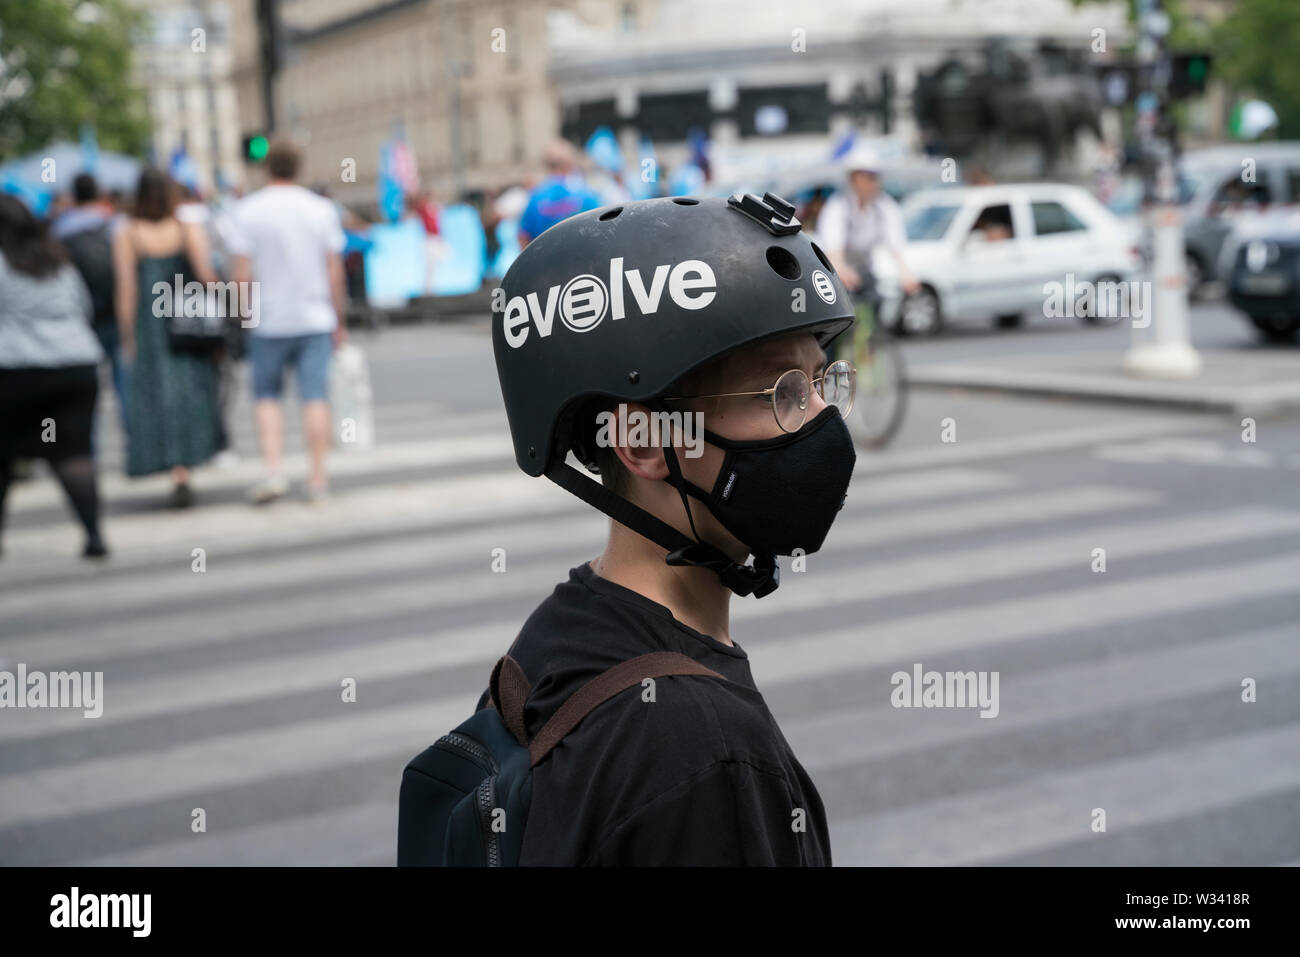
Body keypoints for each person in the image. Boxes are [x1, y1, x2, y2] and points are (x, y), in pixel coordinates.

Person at [480, 192, 859, 864]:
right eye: (783, 393)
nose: (823, 420)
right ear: (642, 442)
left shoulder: (552, 643)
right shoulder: (705, 751)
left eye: (824, 379)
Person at [227, 137, 347, 504]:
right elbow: (334, 272)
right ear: (300, 167)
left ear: (266, 167)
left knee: (267, 397)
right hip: (314, 317)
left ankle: (275, 471)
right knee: (315, 397)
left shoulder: (247, 210)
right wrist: (339, 319)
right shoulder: (321, 210)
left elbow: (241, 273)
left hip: (267, 319)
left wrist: (241, 314)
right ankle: (317, 480)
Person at [0, 194, 108, 558]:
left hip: (16, 369)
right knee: (73, 453)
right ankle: (93, 534)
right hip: (75, 364)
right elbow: (84, 306)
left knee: (4, 457)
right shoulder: (57, 260)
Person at [113, 168, 223, 507]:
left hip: (151, 324)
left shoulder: (129, 233)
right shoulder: (184, 227)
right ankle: (186, 463)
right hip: (183, 321)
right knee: (189, 392)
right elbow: (206, 275)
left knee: (157, 393)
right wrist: (229, 312)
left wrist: (127, 333)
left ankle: (170, 460)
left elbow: (127, 289)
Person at [55, 173, 128, 430]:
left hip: (82, 318)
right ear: (98, 193)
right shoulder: (114, 224)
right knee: (123, 381)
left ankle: (89, 446)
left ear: (74, 196)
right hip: (116, 311)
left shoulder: (61, 229)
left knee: (87, 389)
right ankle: (135, 444)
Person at [815, 145, 919, 316]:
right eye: (870, 177)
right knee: (838, 321)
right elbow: (833, 249)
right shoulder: (838, 207)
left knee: (875, 309)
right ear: (855, 178)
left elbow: (895, 243)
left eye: (876, 177)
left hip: (864, 271)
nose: (875, 182)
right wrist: (841, 268)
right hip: (833, 272)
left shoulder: (884, 207)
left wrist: (905, 273)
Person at [516, 139, 602, 248]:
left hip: (545, 261)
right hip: (582, 259)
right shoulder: (586, 194)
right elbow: (601, 229)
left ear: (547, 164)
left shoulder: (536, 197)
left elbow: (523, 237)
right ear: (569, 163)